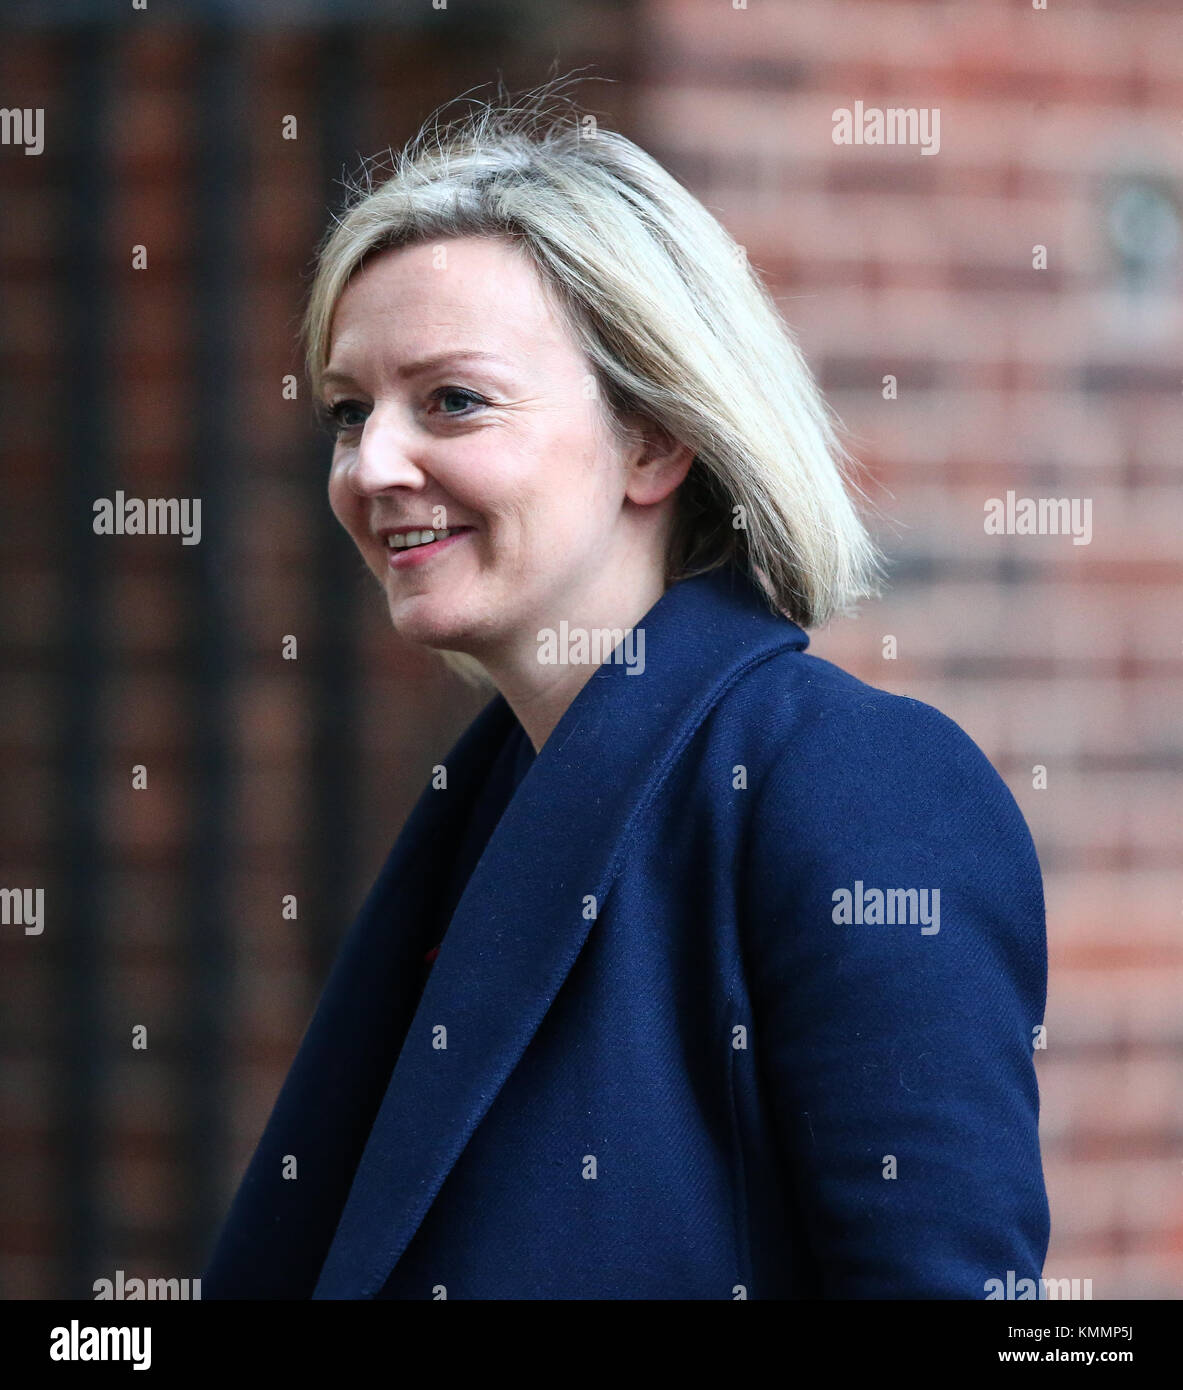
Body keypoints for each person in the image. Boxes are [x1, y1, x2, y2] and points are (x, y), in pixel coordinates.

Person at [202, 85, 1050, 1299]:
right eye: (349, 411)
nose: (373, 463)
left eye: (452, 399)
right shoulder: (492, 796)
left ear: (653, 441)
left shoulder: (852, 785)